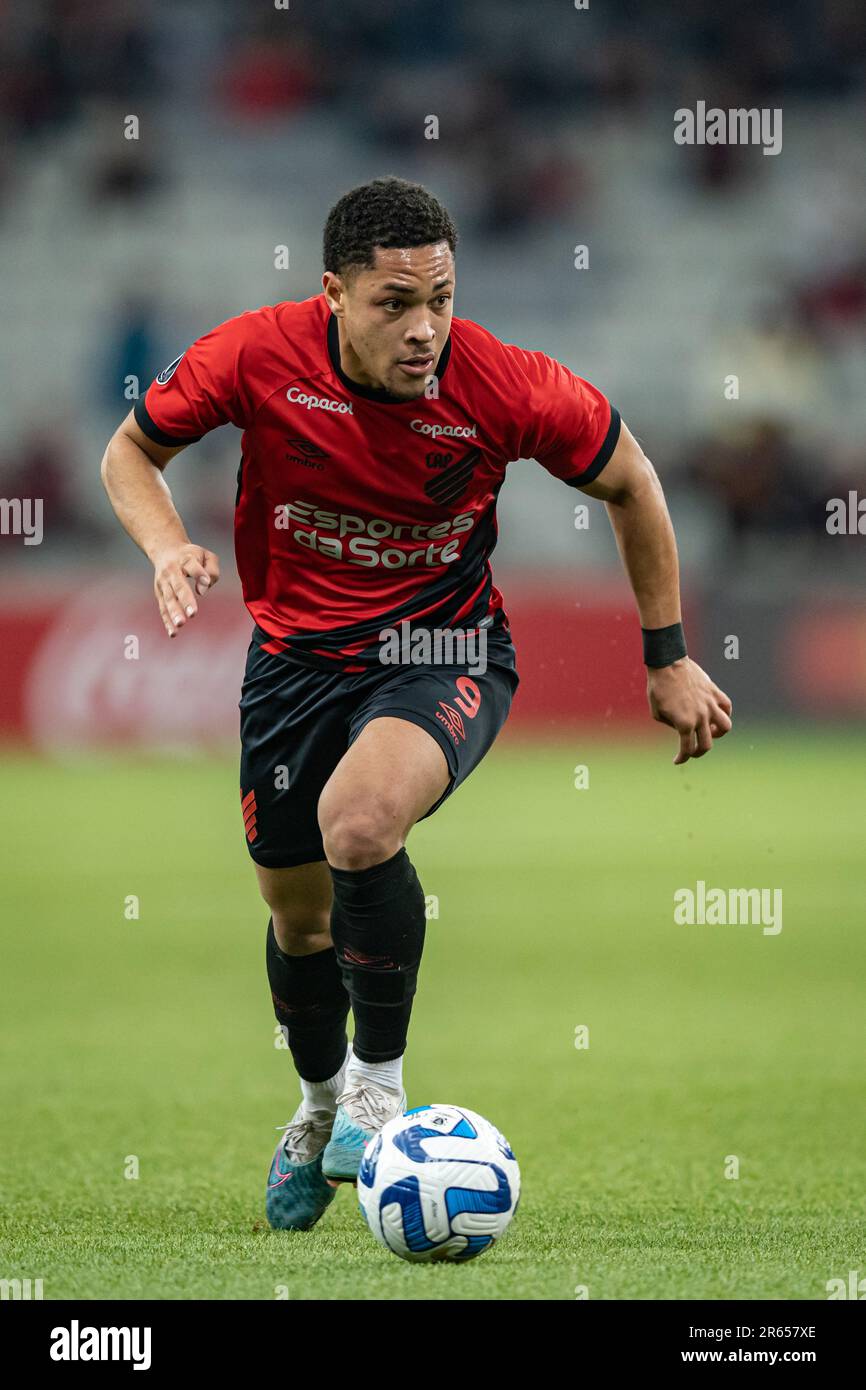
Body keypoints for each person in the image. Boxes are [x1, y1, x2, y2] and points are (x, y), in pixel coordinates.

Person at [100, 175, 733, 1233]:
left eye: (438, 297)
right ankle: (312, 1111)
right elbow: (130, 452)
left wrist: (665, 655)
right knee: (296, 919)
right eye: (394, 302)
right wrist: (168, 545)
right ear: (333, 294)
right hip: (295, 661)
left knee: (359, 822)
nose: (424, 328)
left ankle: (377, 1087)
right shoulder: (257, 354)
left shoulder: (502, 383)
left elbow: (632, 480)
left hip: (440, 648)